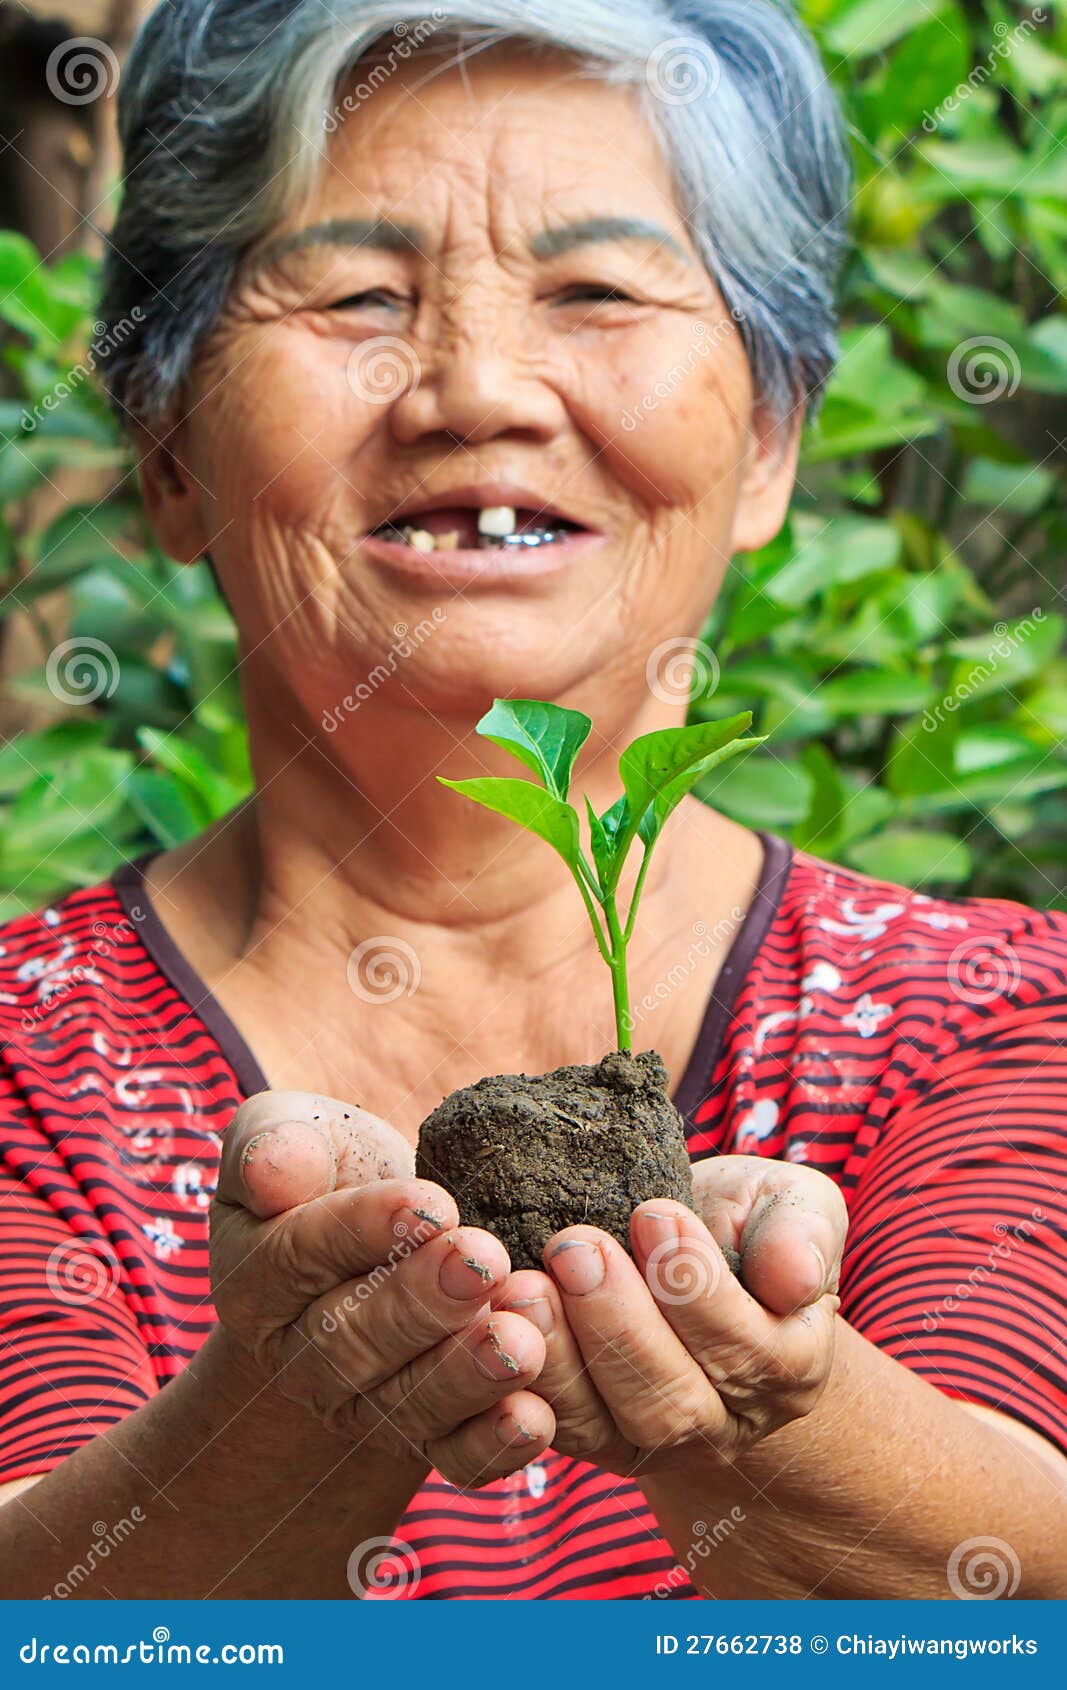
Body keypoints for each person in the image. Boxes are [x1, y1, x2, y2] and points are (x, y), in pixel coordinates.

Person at [1, 0, 1064, 1600]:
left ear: (771, 435)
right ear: (166, 446)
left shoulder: (1002, 1024)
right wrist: (289, 1428)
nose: (477, 388)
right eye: (357, 290)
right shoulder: (26, 1069)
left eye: (597, 291)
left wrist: (778, 1421)